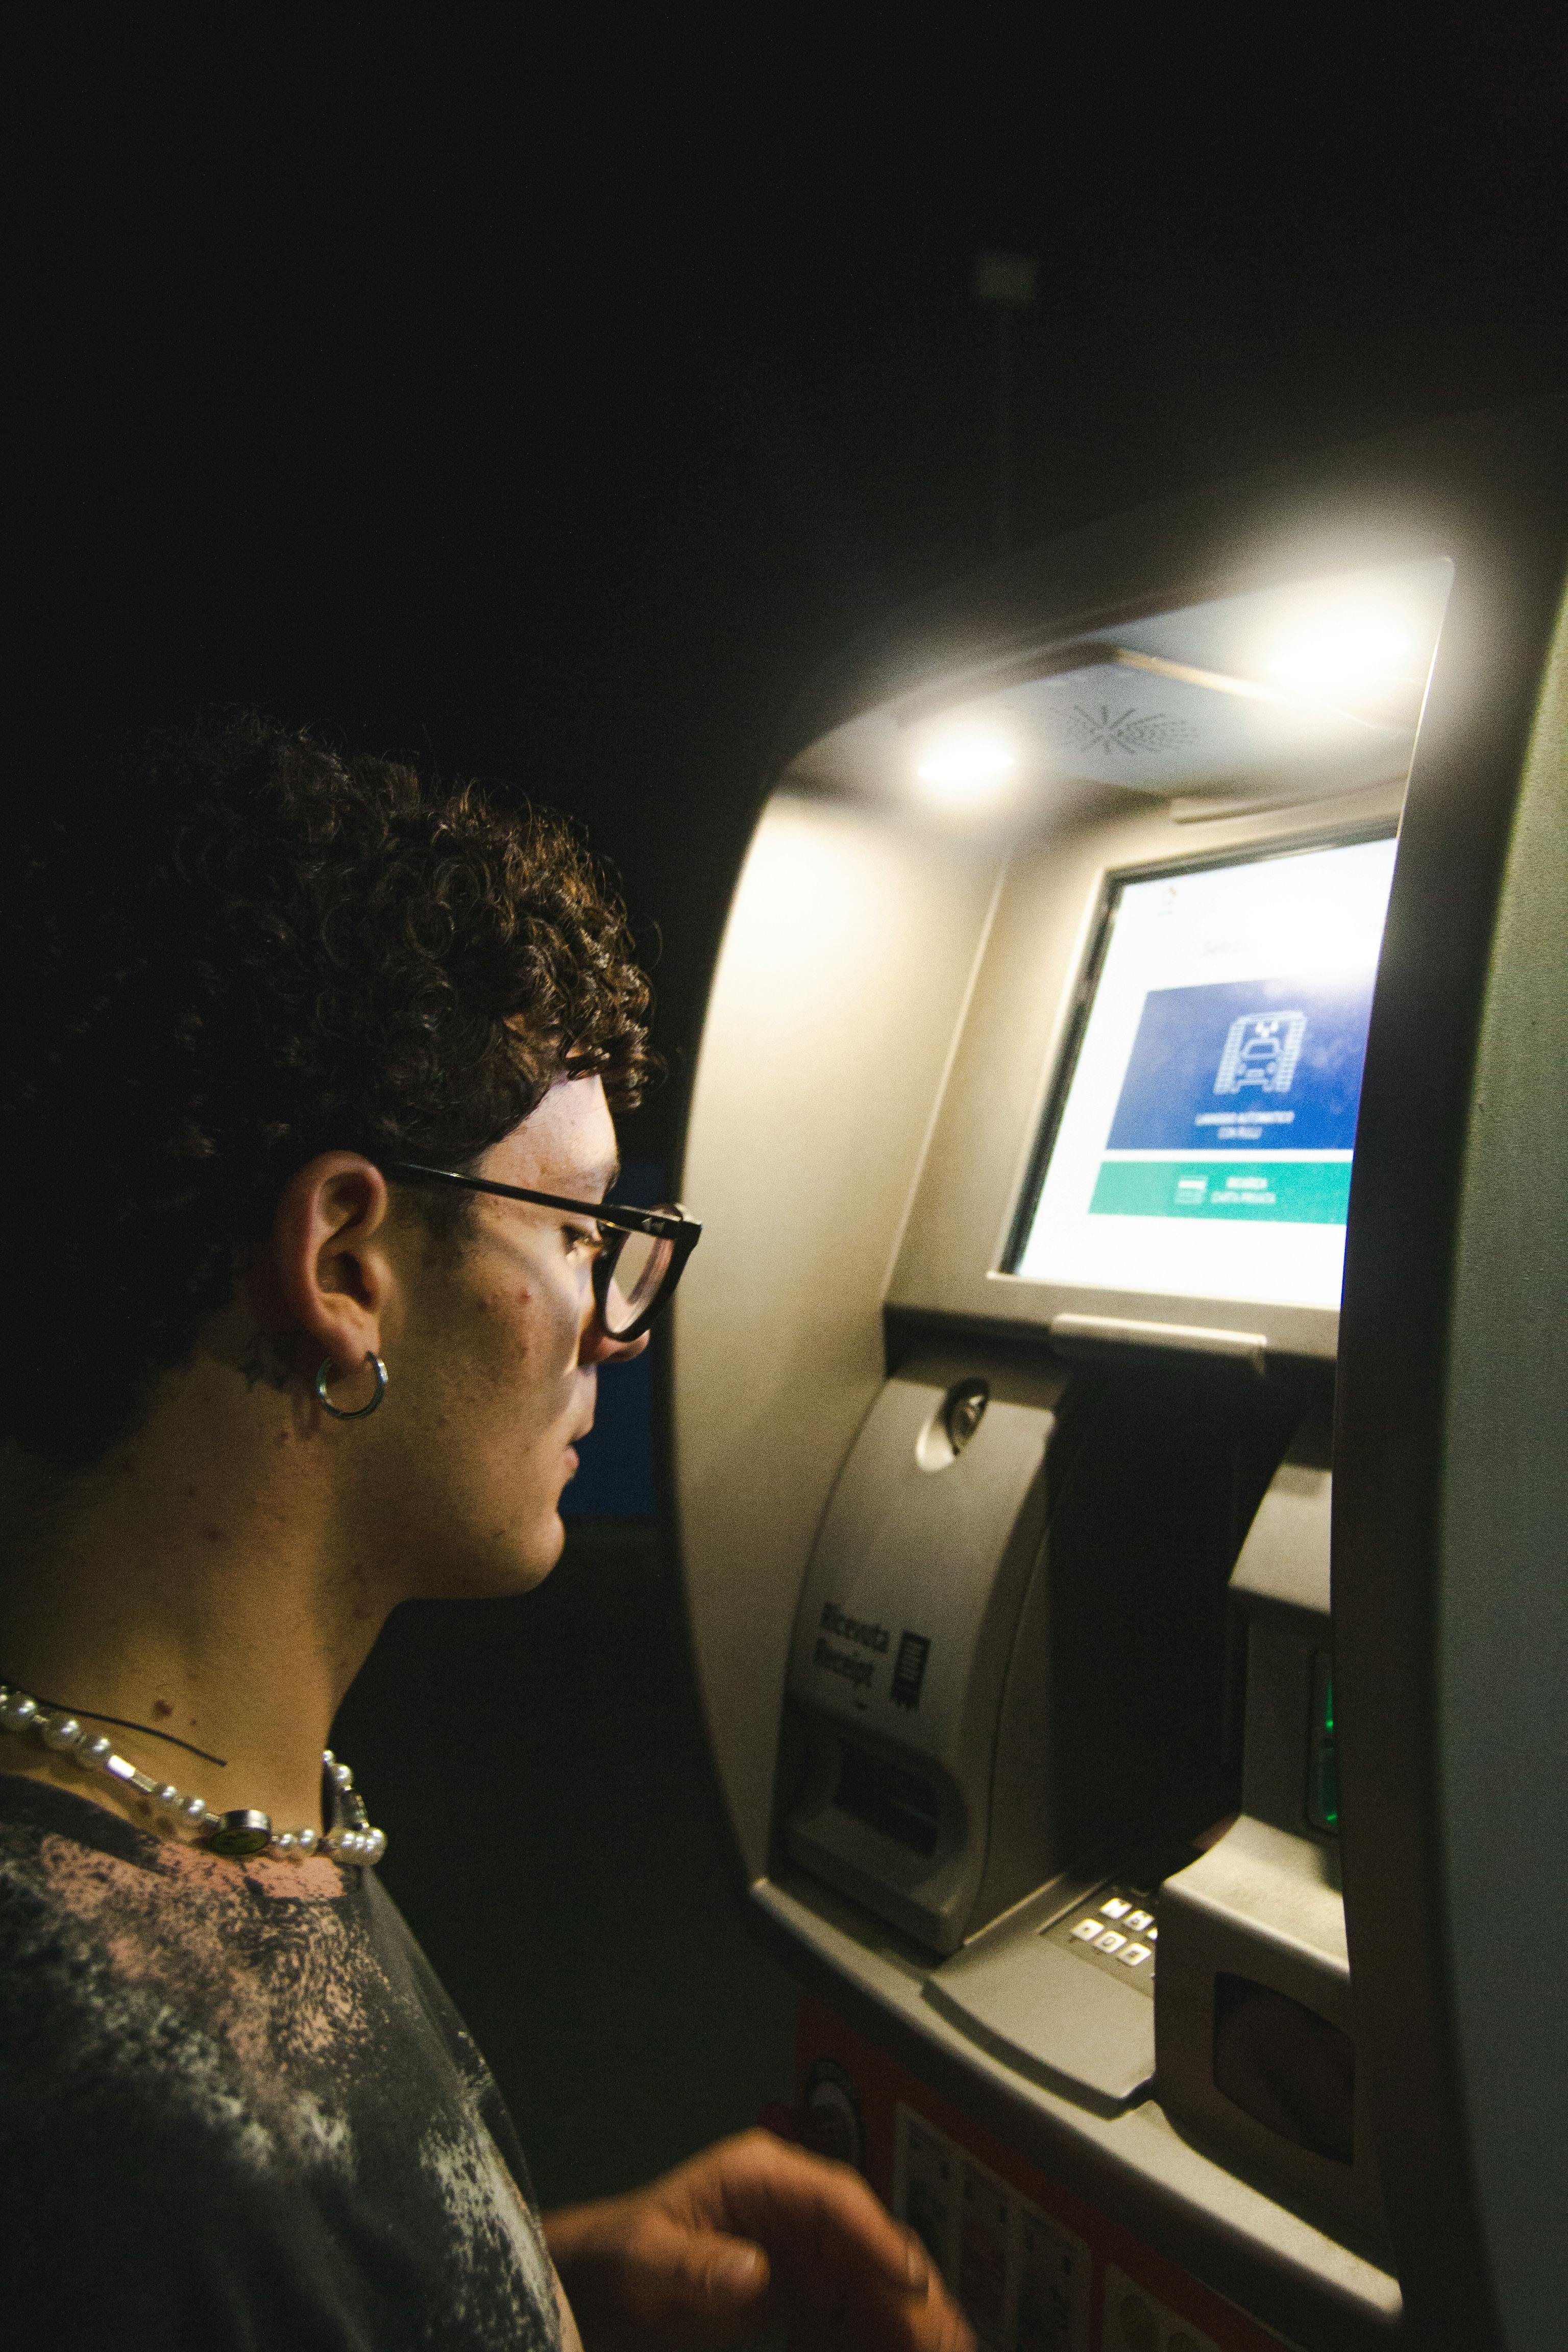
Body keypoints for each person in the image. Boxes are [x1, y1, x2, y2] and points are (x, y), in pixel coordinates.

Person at [0, 712, 972, 2351]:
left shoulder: (198, 1845)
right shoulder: (125, 2151)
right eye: (587, 1230)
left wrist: (540, 2281)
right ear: (346, 1268)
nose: (618, 1325)